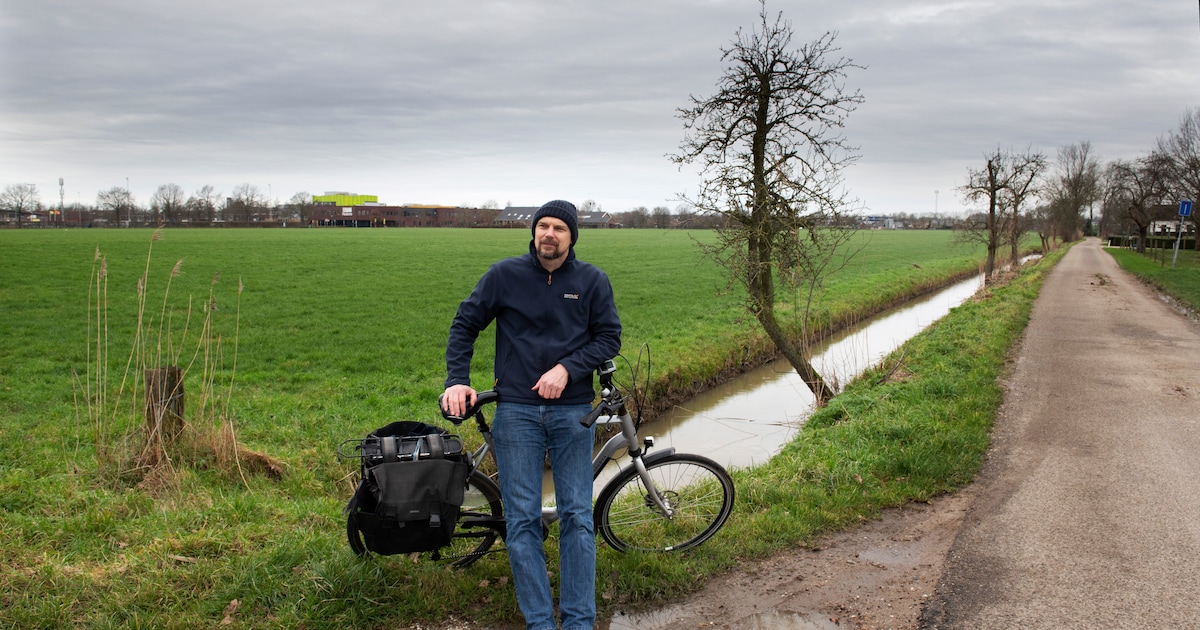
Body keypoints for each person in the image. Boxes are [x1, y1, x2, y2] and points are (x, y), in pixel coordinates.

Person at [441, 199, 621, 630]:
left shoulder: (592, 280)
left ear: (571, 236)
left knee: (577, 516)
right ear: (534, 232)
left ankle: (578, 622)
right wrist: (456, 380)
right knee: (522, 520)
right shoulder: (505, 275)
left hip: (573, 412)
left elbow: (608, 337)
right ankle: (540, 622)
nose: (549, 234)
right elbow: (465, 323)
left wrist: (568, 368)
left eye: (559, 227)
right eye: (543, 226)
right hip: (516, 412)